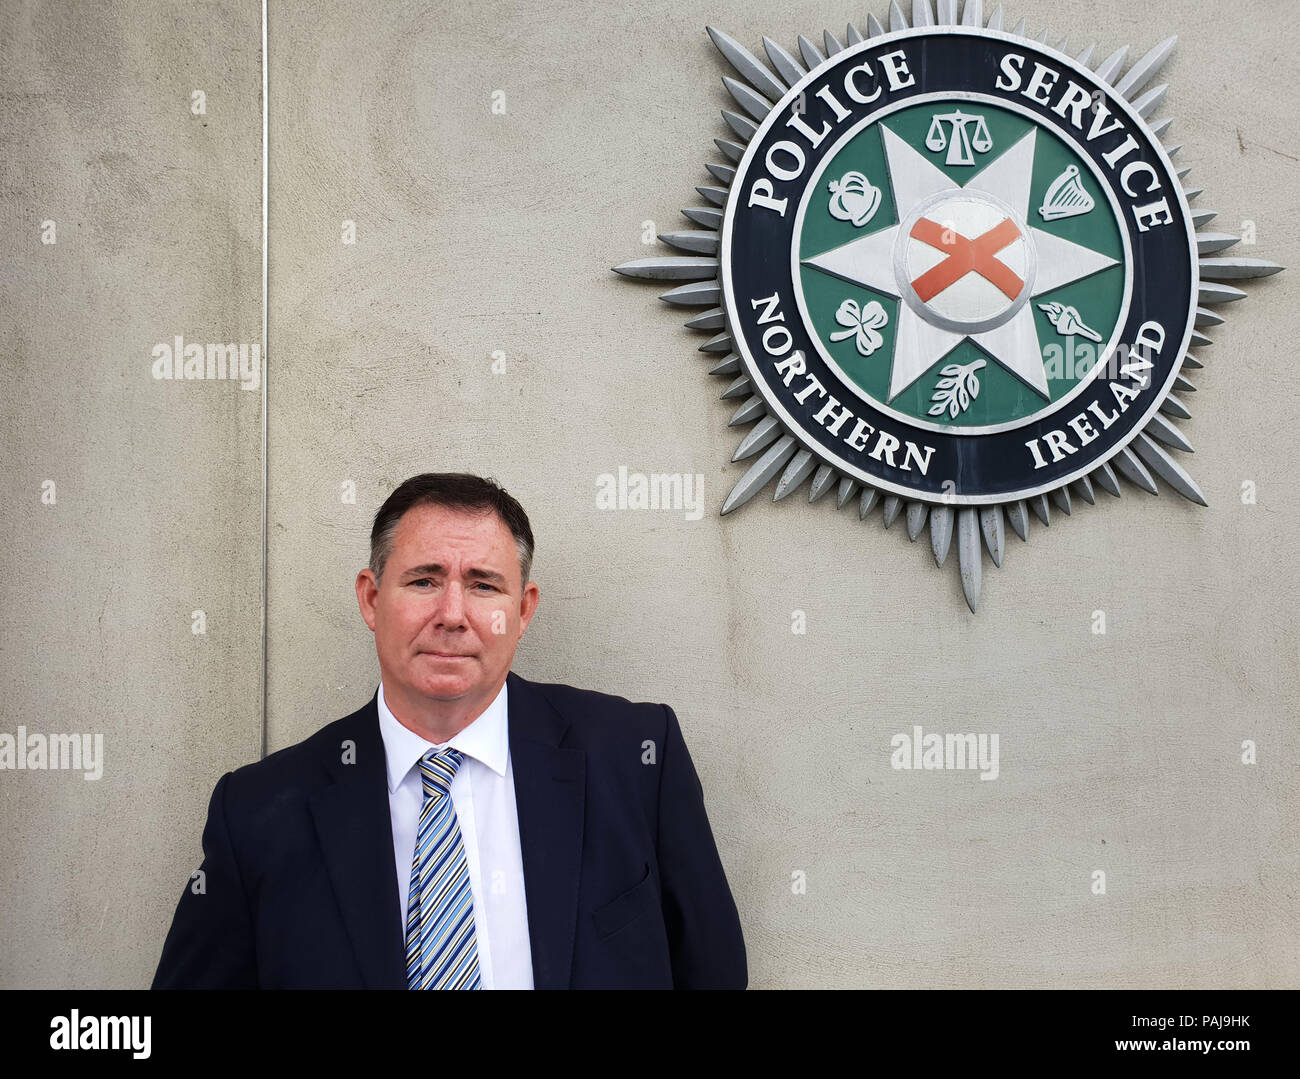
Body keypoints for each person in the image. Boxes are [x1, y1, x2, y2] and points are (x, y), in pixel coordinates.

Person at [152, 472, 747, 989]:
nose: (453, 615)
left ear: (523, 609)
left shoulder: (637, 758)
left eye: (484, 585)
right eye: (424, 580)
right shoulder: (257, 812)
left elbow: (714, 973)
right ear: (370, 597)